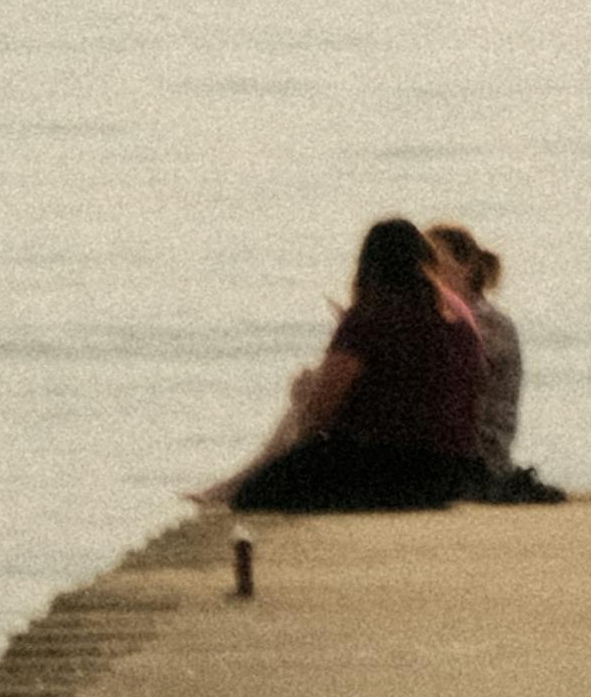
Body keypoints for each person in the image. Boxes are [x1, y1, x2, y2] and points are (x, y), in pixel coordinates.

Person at [207, 217, 487, 513]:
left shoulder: (370, 317)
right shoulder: (458, 325)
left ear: (367, 266)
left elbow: (319, 412)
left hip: (387, 468)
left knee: (254, 495)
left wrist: (305, 402)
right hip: (451, 473)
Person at [425, 223, 561, 499]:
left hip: (483, 456)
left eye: (435, 263)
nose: (426, 273)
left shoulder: (489, 323)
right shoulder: (440, 321)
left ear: (467, 268)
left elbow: (452, 378)